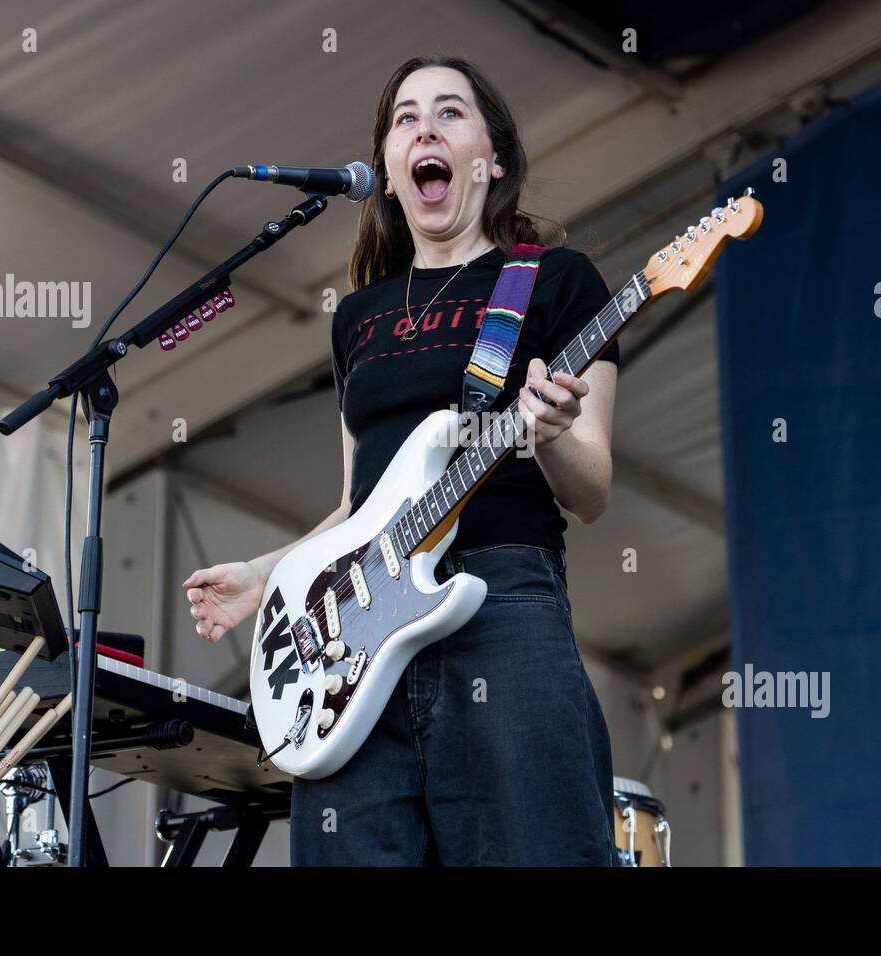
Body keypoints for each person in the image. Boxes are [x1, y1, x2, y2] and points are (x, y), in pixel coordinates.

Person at [183, 55, 620, 866]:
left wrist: (554, 433)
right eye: (405, 118)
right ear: (386, 170)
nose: (425, 127)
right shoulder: (359, 316)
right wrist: (268, 573)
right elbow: (362, 505)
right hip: (355, 633)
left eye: (451, 113)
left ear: (492, 160)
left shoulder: (555, 283)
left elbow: (591, 493)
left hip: (501, 602)